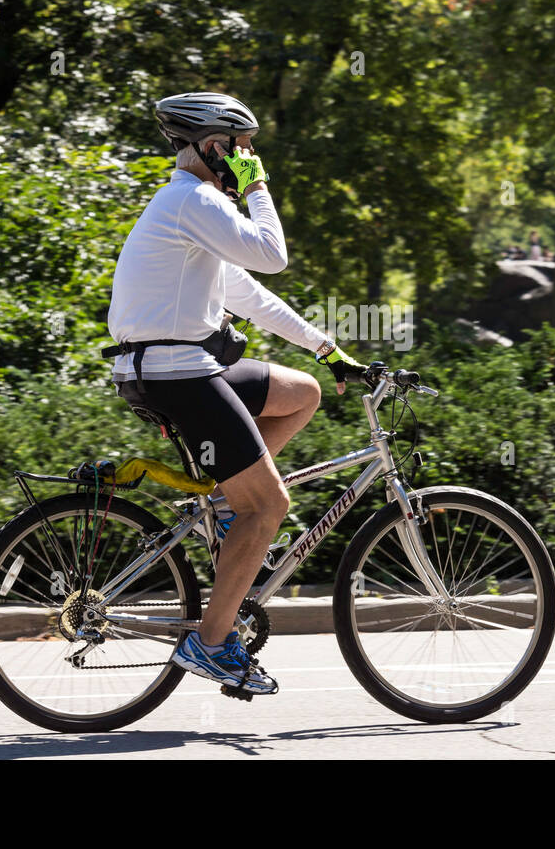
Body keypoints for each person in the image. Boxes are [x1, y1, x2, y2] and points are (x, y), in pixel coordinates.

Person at [106, 92, 367, 696]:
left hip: (175, 365)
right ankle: (213, 642)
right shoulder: (191, 198)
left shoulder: (189, 209)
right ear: (214, 146)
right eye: (242, 147)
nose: (248, 157)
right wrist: (258, 186)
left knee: (300, 393)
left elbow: (247, 293)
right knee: (268, 506)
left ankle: (228, 508)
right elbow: (273, 257)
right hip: (176, 373)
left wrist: (329, 351)